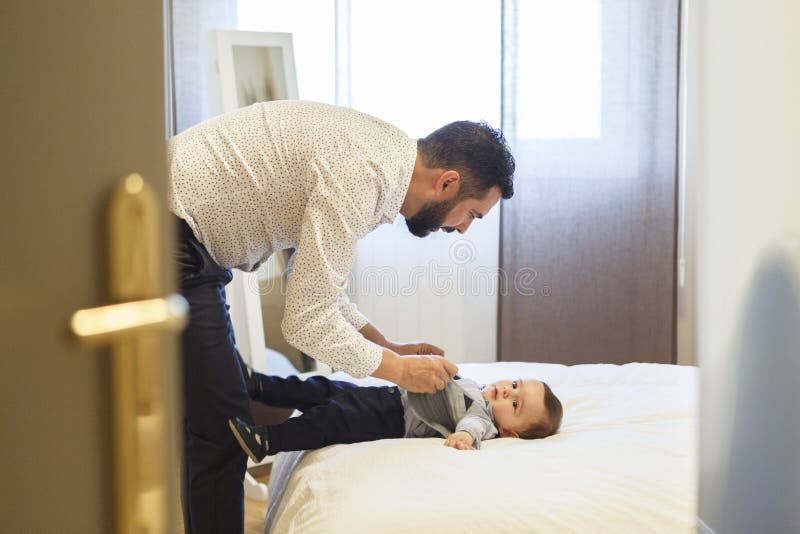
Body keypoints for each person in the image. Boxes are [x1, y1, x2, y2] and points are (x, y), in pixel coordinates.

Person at [169, 99, 515, 533]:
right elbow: (306, 320)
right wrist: (398, 371)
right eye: (472, 215)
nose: (463, 229)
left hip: (188, 240)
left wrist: (387, 347)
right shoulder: (363, 175)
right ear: (447, 183)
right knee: (225, 429)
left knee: (213, 419)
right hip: (175, 232)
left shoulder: (383, 160)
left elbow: (316, 287)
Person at [228, 371, 563, 462]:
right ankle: (259, 384)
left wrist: (464, 437)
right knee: (322, 389)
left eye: (516, 404)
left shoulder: (484, 420)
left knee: (332, 419)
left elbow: (471, 426)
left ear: (510, 433)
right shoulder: (478, 388)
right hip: (389, 396)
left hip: (392, 418)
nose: (507, 392)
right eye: (514, 385)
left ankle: (267, 441)